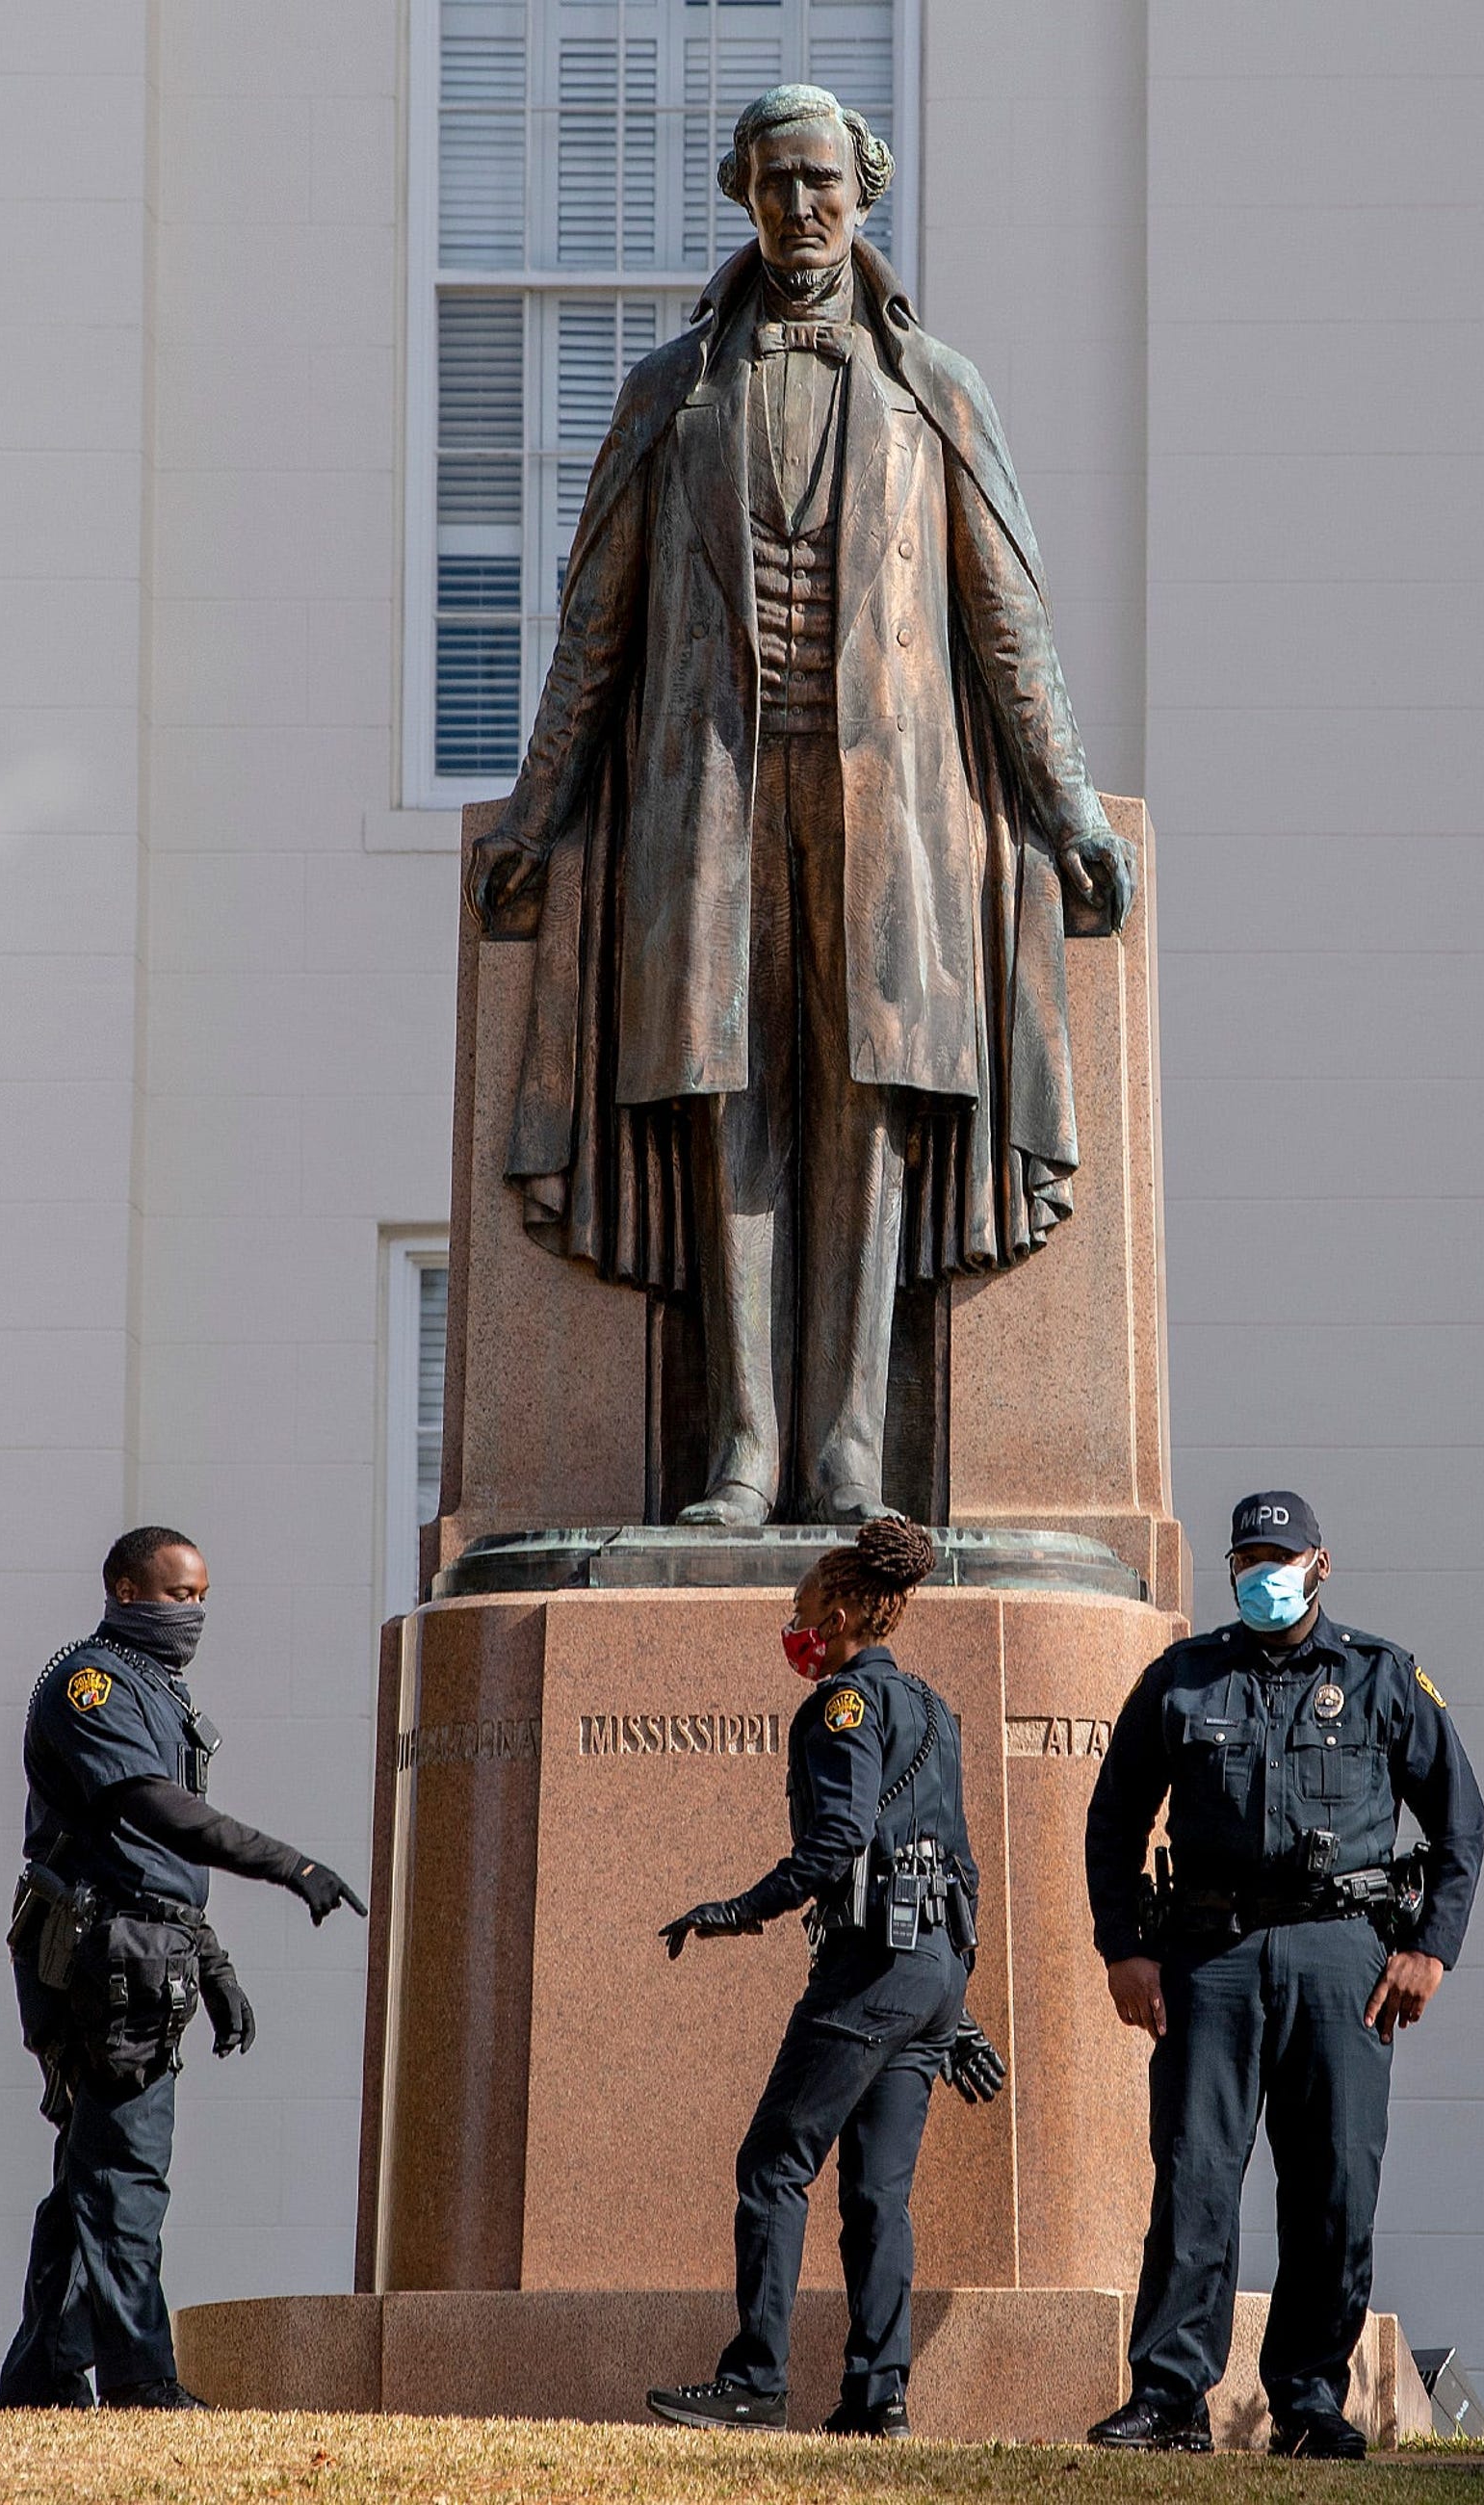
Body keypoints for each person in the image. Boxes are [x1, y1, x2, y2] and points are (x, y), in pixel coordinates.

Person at [466, 83, 1138, 1528]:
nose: (801, 208)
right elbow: (597, 616)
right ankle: (745, 1450)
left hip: (886, 802)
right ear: (742, 194)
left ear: (864, 190)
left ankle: (849, 1450)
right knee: (730, 1110)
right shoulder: (670, 395)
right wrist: (536, 808)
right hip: (708, 797)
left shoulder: (933, 391)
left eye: (824, 181)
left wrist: (1067, 802)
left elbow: (1002, 609)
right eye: (775, 183)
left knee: (867, 1108)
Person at [1079, 1491, 1484, 2459]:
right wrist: (1121, 1947)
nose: (1264, 1572)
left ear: (1319, 1563)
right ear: (1229, 1568)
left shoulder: (1381, 1677)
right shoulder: (1182, 1680)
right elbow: (1113, 1818)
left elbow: (1458, 1821)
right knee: (1193, 2178)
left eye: (1280, 1555)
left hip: (1340, 1958)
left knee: (1334, 2182)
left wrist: (1430, 1948)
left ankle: (1307, 2401)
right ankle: (1170, 2399)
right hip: (1206, 1957)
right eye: (1248, 1557)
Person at [645, 1517, 1007, 2437]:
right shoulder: (932, 1708)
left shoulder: (842, 1705)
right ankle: (878, 2395)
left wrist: (740, 1907)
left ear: (842, 1613)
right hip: (930, 1976)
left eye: (802, 1609)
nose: (793, 1624)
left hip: (868, 1972)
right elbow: (959, 1863)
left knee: (773, 2164)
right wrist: (951, 2006)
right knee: (876, 2193)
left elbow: (840, 1837)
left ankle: (755, 2380)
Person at [0, 1526, 368, 2413]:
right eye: (175, 1594)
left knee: (90, 2177)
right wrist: (288, 1864)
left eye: (201, 1596)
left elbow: (155, 1873)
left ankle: (43, 2378)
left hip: (146, 1953)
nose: (192, 1611)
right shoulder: (91, 1687)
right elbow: (151, 1812)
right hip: (104, 1962)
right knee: (127, 2176)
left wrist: (215, 1966)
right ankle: (139, 2378)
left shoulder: (157, 1688)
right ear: (124, 1590)